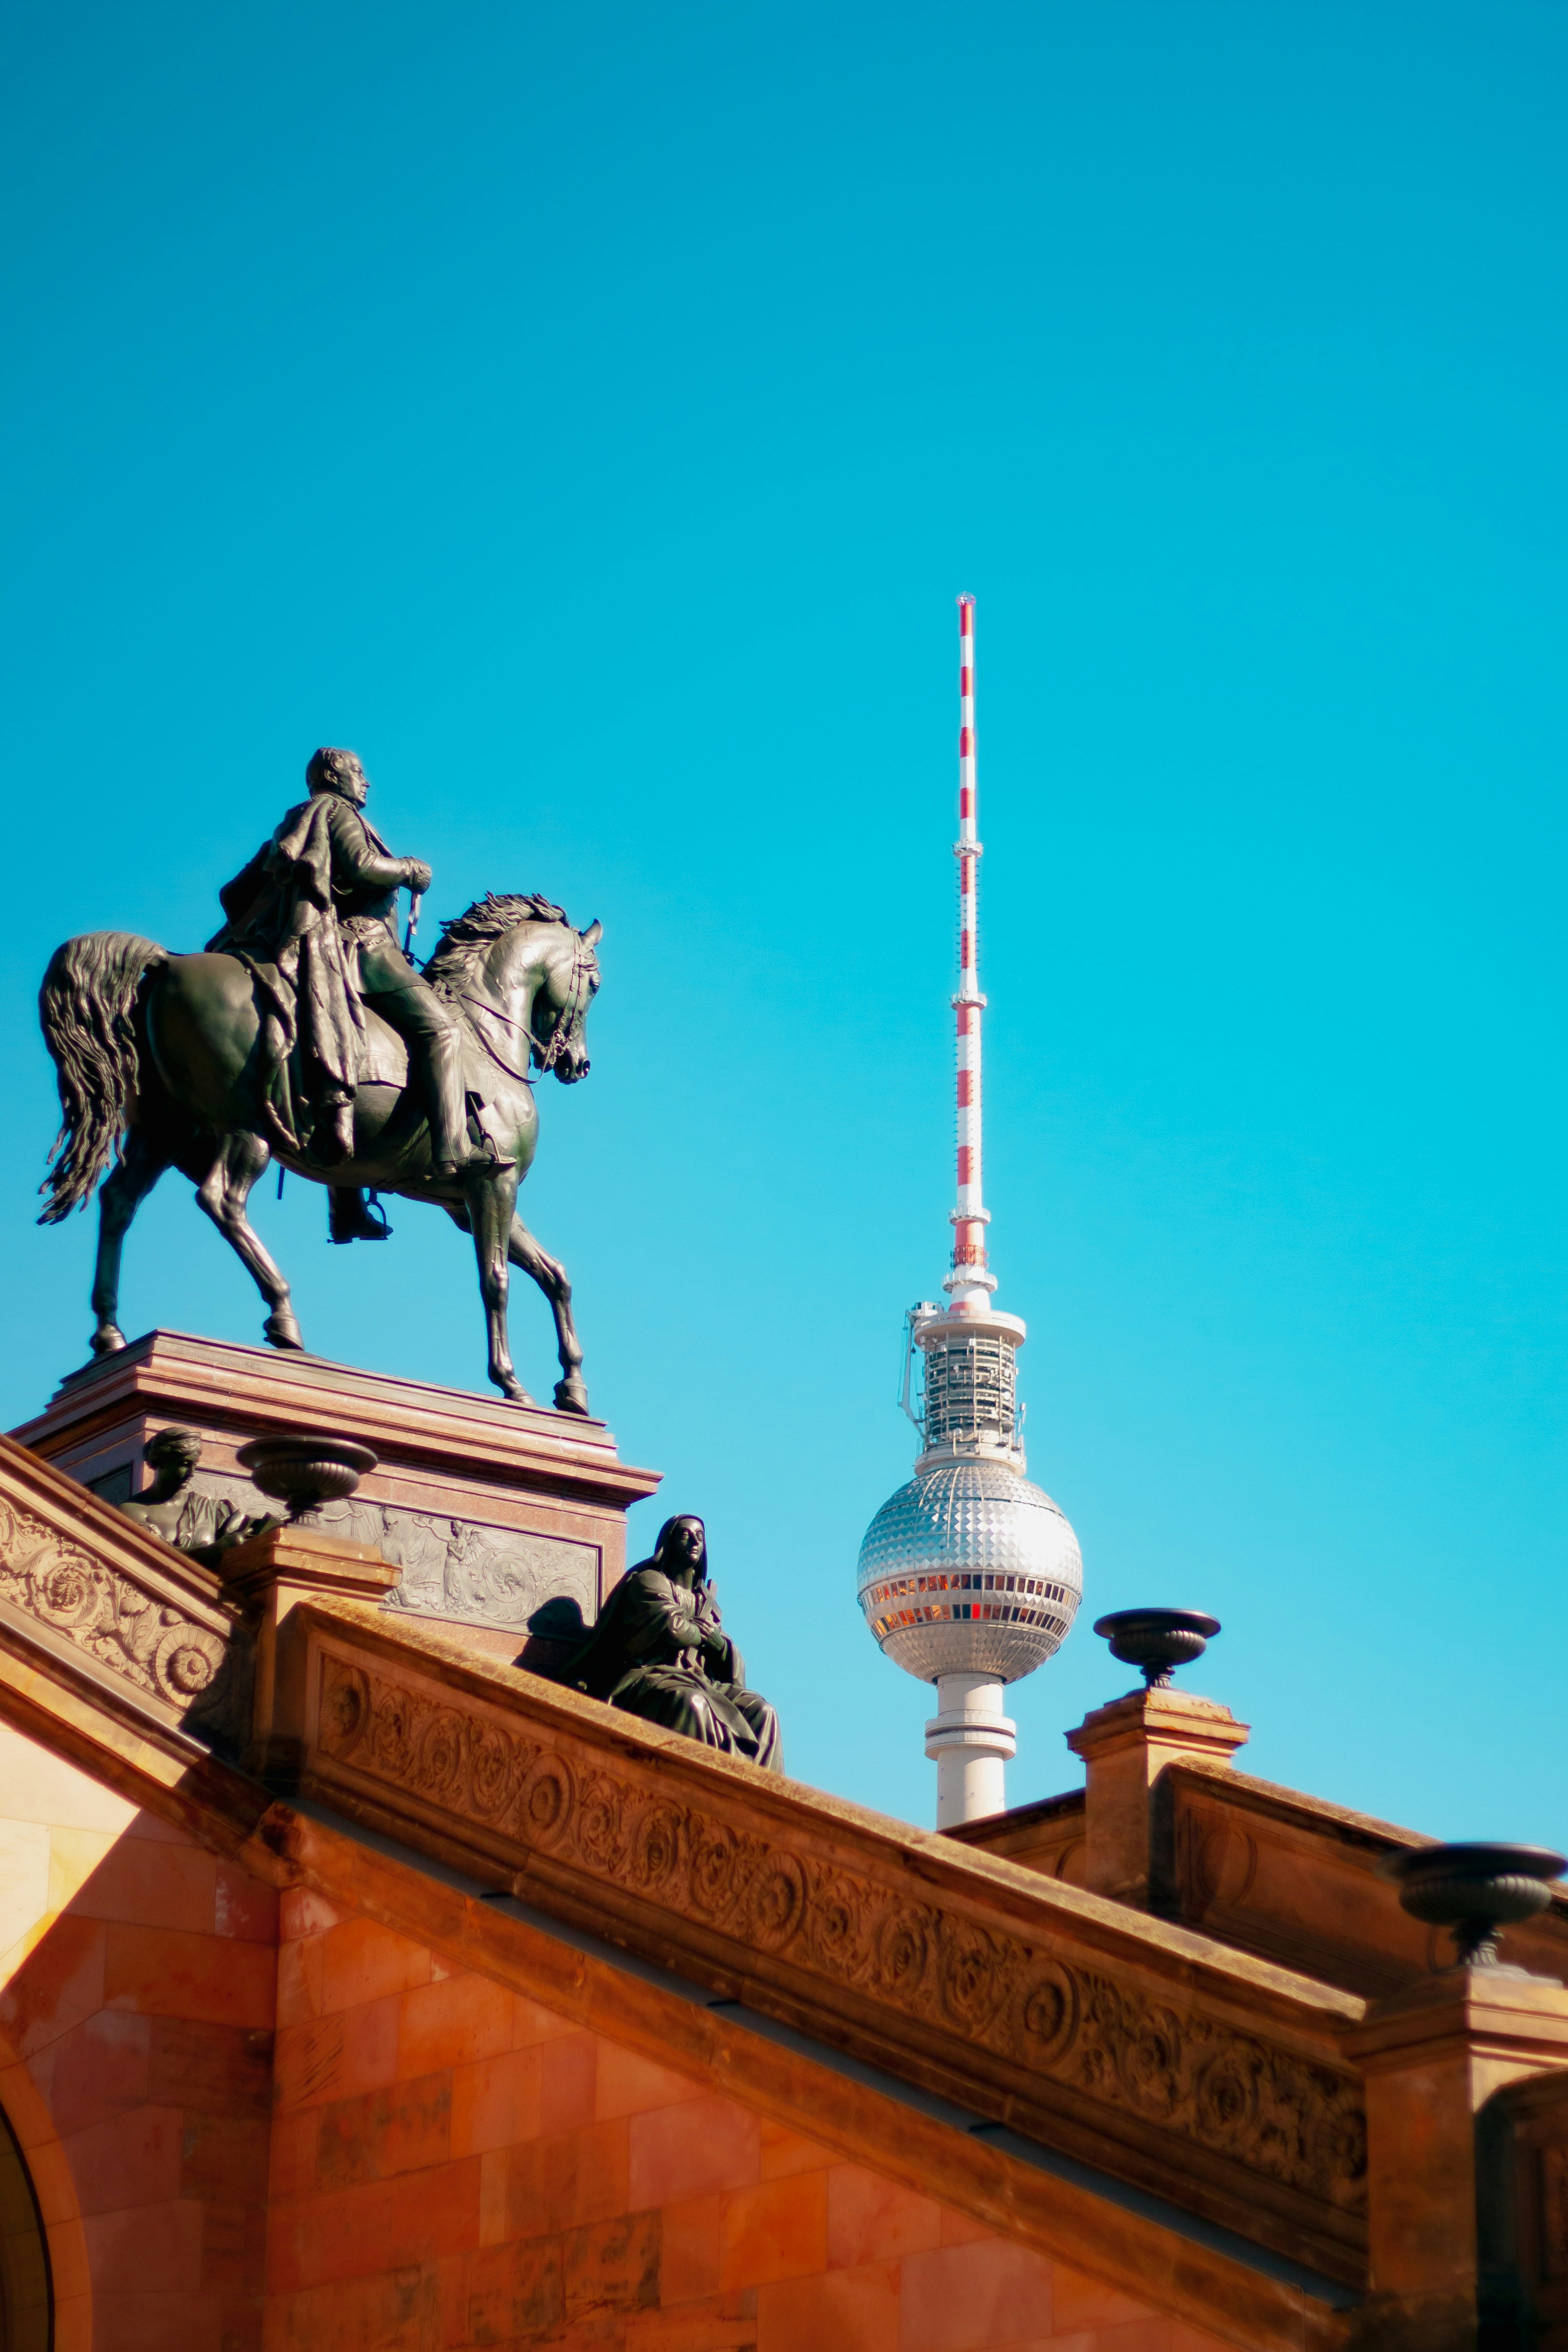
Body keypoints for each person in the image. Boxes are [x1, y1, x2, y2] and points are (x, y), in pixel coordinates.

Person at [210, 746, 483, 1187]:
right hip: (364, 947)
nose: (366, 780)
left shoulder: (296, 821)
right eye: (358, 771)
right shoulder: (337, 812)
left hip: (327, 946)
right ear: (334, 777)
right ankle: (454, 1150)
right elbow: (363, 866)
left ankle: (347, 1202)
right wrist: (409, 869)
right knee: (443, 1030)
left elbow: (237, 891)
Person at [562, 1516, 782, 1770]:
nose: (694, 1542)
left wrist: (719, 1645)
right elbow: (672, 1626)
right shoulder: (650, 1580)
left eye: (700, 1537)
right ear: (668, 1542)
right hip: (649, 1677)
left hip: (702, 1682)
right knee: (693, 1703)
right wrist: (702, 1636)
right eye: (685, 1535)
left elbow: (728, 1659)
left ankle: (756, 1799)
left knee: (764, 1713)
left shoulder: (705, 1600)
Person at [118, 1429, 275, 1569]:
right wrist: (215, 1550)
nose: (191, 1473)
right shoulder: (132, 1510)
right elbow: (152, 1556)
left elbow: (256, 1532)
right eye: (185, 1464)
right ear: (162, 1462)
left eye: (195, 1465)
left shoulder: (215, 1510)